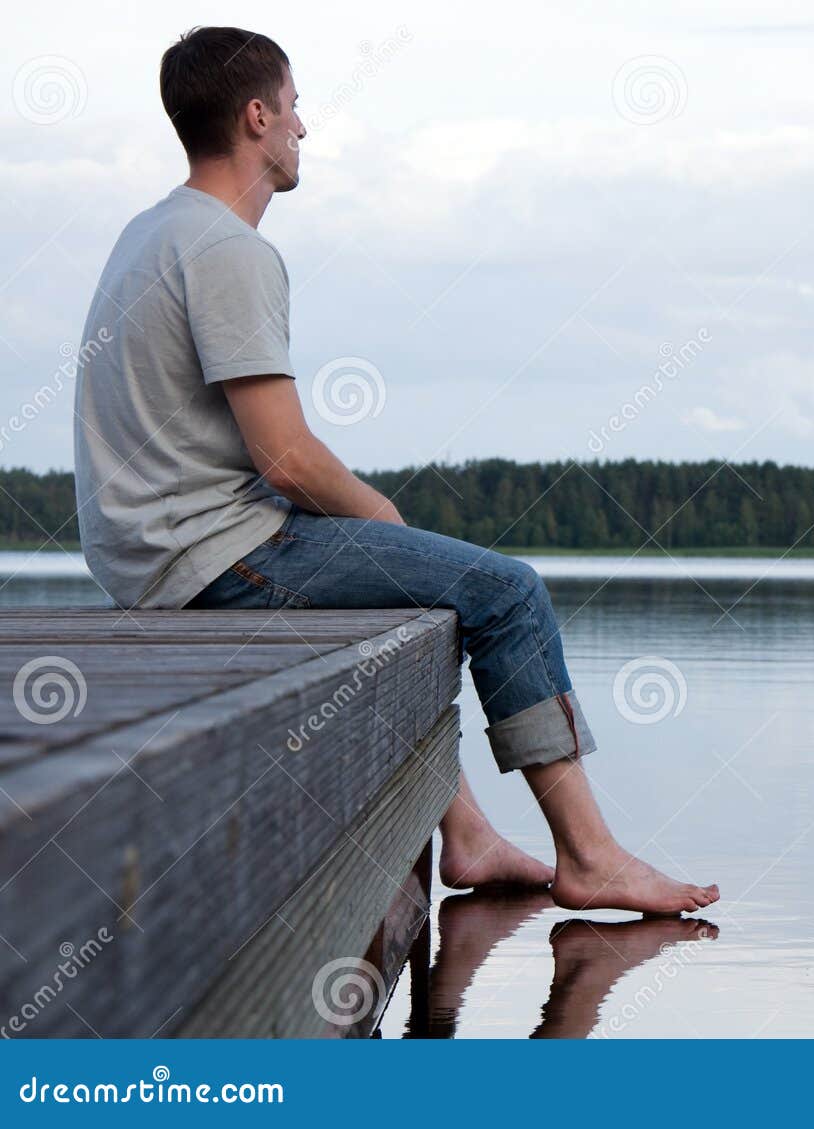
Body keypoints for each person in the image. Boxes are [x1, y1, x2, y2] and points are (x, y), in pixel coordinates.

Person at [71, 26, 717, 916]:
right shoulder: (228, 248)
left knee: (394, 597)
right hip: (208, 552)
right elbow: (287, 457)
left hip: (148, 550)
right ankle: (591, 855)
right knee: (507, 592)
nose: (304, 128)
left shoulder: (154, 230)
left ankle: (469, 831)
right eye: (294, 108)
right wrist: (383, 518)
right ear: (257, 116)